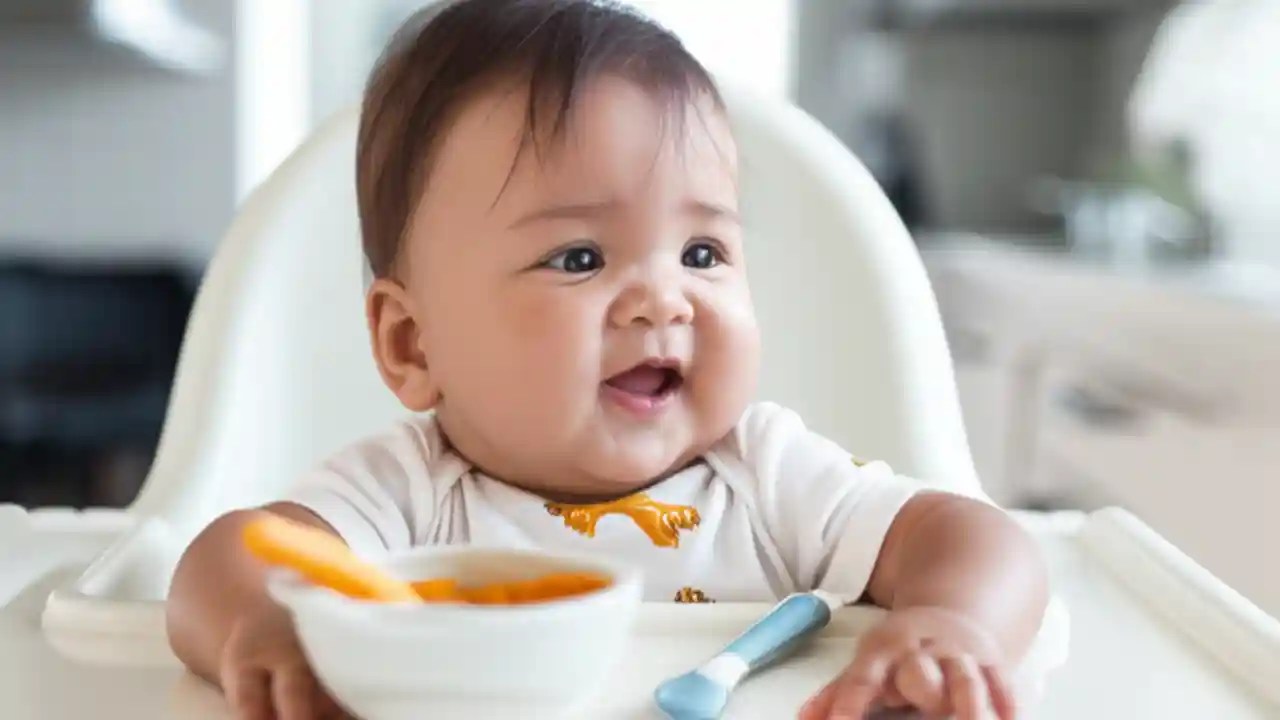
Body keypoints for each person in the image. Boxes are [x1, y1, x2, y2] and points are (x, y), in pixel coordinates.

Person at [166, 1, 1048, 718]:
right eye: (580, 258)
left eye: (702, 254)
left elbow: (978, 539)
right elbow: (221, 561)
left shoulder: (766, 479)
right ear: (412, 343)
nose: (664, 300)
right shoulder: (409, 494)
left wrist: (948, 622)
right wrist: (267, 630)